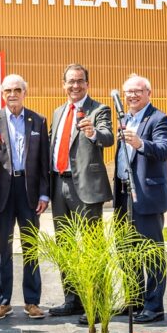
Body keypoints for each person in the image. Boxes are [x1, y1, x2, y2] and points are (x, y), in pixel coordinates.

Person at [0, 74, 50, 320]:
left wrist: (44, 193)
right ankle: (3, 302)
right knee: (3, 248)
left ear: (24, 93)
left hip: (29, 191)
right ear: (2, 94)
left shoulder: (38, 120)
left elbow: (44, 160)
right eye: (8, 90)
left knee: (31, 247)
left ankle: (32, 302)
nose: (12, 94)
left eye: (17, 90)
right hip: (2, 191)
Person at [48, 63, 114, 317]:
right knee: (65, 246)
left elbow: (108, 137)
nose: (75, 85)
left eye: (79, 81)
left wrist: (93, 132)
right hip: (58, 185)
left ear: (87, 84)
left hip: (86, 188)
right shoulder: (58, 112)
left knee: (92, 247)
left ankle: (96, 305)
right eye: (71, 81)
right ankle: (72, 300)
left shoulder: (99, 109)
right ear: (63, 84)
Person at [112, 74, 167, 324]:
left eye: (138, 91)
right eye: (128, 92)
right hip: (123, 195)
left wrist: (140, 144)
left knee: (151, 254)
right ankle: (134, 301)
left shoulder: (159, 119)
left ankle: (154, 306)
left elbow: (165, 150)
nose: (132, 95)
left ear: (149, 92)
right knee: (127, 252)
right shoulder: (125, 119)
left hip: (147, 196)